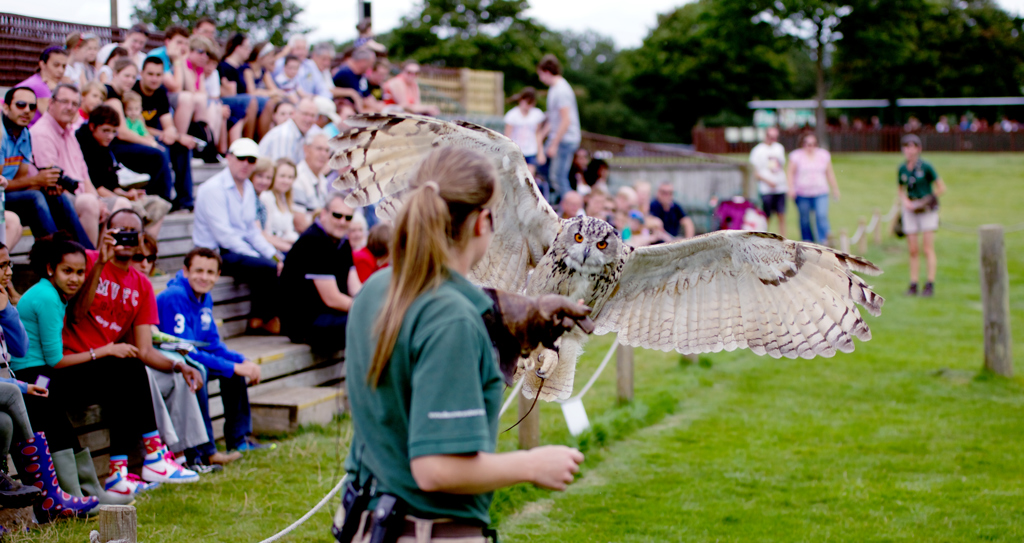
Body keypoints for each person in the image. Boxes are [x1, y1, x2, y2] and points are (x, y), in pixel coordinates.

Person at [342, 147, 587, 542]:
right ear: (482, 222)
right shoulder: (453, 319)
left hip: (368, 523)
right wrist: (531, 464)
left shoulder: (377, 290)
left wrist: (511, 313)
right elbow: (435, 468)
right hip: (428, 531)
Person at [157, 247, 270, 465]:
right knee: (201, 371)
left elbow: (212, 344)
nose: (204, 277)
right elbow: (185, 349)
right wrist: (233, 367)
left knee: (233, 369)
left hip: (188, 358)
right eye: (198, 271)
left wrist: (241, 361)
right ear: (186, 271)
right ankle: (204, 450)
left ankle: (239, 439)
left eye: (210, 272)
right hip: (170, 363)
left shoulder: (204, 298)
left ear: (218, 275)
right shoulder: (174, 297)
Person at [193, 139, 282, 334]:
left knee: (276, 263)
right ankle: (261, 319)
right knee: (266, 266)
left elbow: (252, 230)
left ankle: (262, 318)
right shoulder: (213, 188)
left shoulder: (248, 188)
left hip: (233, 248)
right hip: (212, 252)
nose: (245, 164)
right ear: (229, 158)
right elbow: (224, 235)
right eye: (241, 158)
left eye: (251, 160)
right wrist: (259, 256)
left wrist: (273, 254)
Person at [3, 87, 92, 248]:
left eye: (32, 107)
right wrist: (37, 180)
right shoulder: (1, 134)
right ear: (6, 107)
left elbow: (19, 180)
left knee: (56, 195)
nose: (26, 111)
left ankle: (87, 255)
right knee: (35, 198)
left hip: (8, 197)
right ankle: (57, 255)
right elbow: (2, 184)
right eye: (21, 105)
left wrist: (43, 183)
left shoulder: (24, 134)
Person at [28, 83, 108, 247]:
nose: (70, 107)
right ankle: (88, 263)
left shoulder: (70, 133)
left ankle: (101, 265)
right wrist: (93, 201)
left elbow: (85, 176)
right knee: (89, 203)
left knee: (121, 206)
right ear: (51, 103)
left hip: (80, 195)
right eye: (64, 102)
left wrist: (98, 200)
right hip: (62, 197)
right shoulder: (42, 132)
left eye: (74, 104)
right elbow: (53, 181)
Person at [77, 105, 171, 240]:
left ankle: (144, 251)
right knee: (135, 210)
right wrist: (123, 198)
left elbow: (112, 184)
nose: (110, 136)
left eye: (113, 132)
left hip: (113, 195)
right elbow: (97, 187)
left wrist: (128, 194)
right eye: (106, 131)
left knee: (159, 205)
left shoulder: (105, 149)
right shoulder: (84, 147)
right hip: (97, 198)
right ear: (92, 127)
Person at [280, 194, 359, 353]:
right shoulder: (313, 241)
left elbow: (356, 287)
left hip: (329, 317)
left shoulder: (342, 242)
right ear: (324, 214)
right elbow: (332, 299)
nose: (342, 222)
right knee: (369, 323)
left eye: (348, 218)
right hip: (305, 324)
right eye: (337, 215)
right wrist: (370, 309)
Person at [103, 59, 177, 209]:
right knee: (158, 153)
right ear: (115, 74)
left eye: (132, 77)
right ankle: (162, 201)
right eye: (126, 76)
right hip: (113, 146)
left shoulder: (124, 94)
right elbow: (122, 133)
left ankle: (173, 199)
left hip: (125, 144)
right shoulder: (111, 95)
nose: (130, 80)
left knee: (170, 149)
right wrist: (149, 142)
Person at [133, 57, 196, 211]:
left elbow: (168, 123)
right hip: (138, 138)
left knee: (182, 147)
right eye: (150, 74)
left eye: (158, 75)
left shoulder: (160, 92)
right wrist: (165, 134)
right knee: (164, 149)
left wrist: (174, 135)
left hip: (156, 135)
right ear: (141, 73)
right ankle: (164, 199)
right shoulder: (133, 91)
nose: (155, 79)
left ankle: (185, 201)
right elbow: (139, 127)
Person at [898, 134, 946, 297]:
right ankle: (913, 283)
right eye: (906, 146)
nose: (908, 150)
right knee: (912, 249)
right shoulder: (902, 169)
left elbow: (941, 188)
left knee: (927, 248)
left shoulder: (926, 167)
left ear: (918, 149)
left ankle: (930, 284)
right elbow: (901, 189)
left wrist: (925, 201)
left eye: (912, 146)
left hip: (926, 210)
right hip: (910, 210)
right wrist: (906, 202)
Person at [536, 54, 581, 204]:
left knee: (558, 177)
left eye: (541, 74)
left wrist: (554, 144)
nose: (540, 78)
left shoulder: (561, 90)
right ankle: (555, 203)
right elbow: (554, 118)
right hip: (559, 137)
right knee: (543, 169)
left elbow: (566, 120)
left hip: (565, 139)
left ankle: (573, 208)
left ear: (546, 72)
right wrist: (541, 136)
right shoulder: (554, 89)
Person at [787, 132, 840, 244]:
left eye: (813, 144)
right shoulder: (796, 156)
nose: (810, 147)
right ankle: (808, 241)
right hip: (802, 193)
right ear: (802, 143)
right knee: (804, 219)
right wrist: (791, 188)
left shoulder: (823, 155)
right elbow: (790, 173)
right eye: (808, 144)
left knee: (821, 215)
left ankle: (825, 240)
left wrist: (835, 188)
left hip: (820, 191)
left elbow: (829, 173)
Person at [16, 46, 69, 126]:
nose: (61, 71)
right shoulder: (39, 86)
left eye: (64, 66)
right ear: (42, 65)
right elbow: (58, 120)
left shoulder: (45, 83)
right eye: (56, 65)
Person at [750, 126, 788, 237]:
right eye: (771, 137)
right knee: (767, 216)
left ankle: (783, 239)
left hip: (780, 187)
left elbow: (780, 166)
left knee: (781, 215)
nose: (773, 140)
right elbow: (755, 172)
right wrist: (768, 181)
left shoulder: (779, 148)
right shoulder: (757, 151)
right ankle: (766, 238)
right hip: (766, 189)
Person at [258, 97, 319, 164]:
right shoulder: (285, 134)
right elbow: (283, 170)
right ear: (294, 113)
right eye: (305, 114)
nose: (309, 119)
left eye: (312, 115)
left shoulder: (306, 132)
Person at [291, 131, 332, 228]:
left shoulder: (322, 179)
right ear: (306, 149)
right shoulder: (298, 177)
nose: (323, 154)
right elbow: (299, 224)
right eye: (319, 149)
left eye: (327, 150)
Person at [260, 158, 300, 253]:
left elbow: (289, 232)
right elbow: (266, 234)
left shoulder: (286, 199)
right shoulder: (266, 197)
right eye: (282, 176)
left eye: (290, 177)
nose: (286, 181)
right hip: (272, 248)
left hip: (286, 245)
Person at [503, 87, 547, 169]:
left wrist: (541, 152)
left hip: (531, 150)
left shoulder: (536, 114)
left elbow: (538, 133)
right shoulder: (512, 115)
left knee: (530, 176)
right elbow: (507, 135)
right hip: (516, 150)